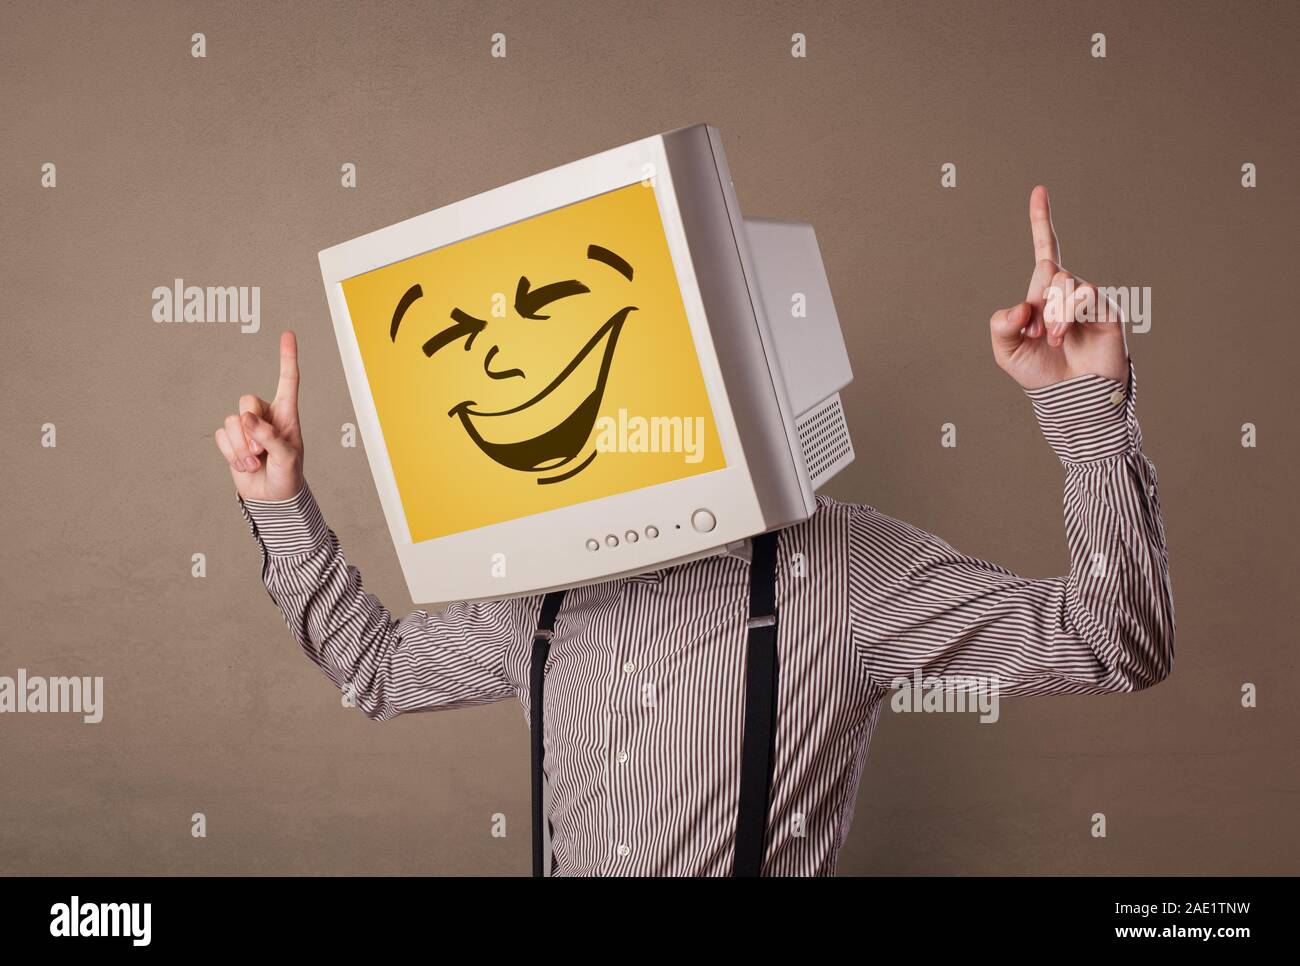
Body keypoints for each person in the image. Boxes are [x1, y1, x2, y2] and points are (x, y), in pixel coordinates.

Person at [213, 187, 1174, 876]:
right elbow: (376, 670)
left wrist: (1083, 401)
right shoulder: (541, 589)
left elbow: (1113, 642)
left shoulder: (839, 571)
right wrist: (280, 502)